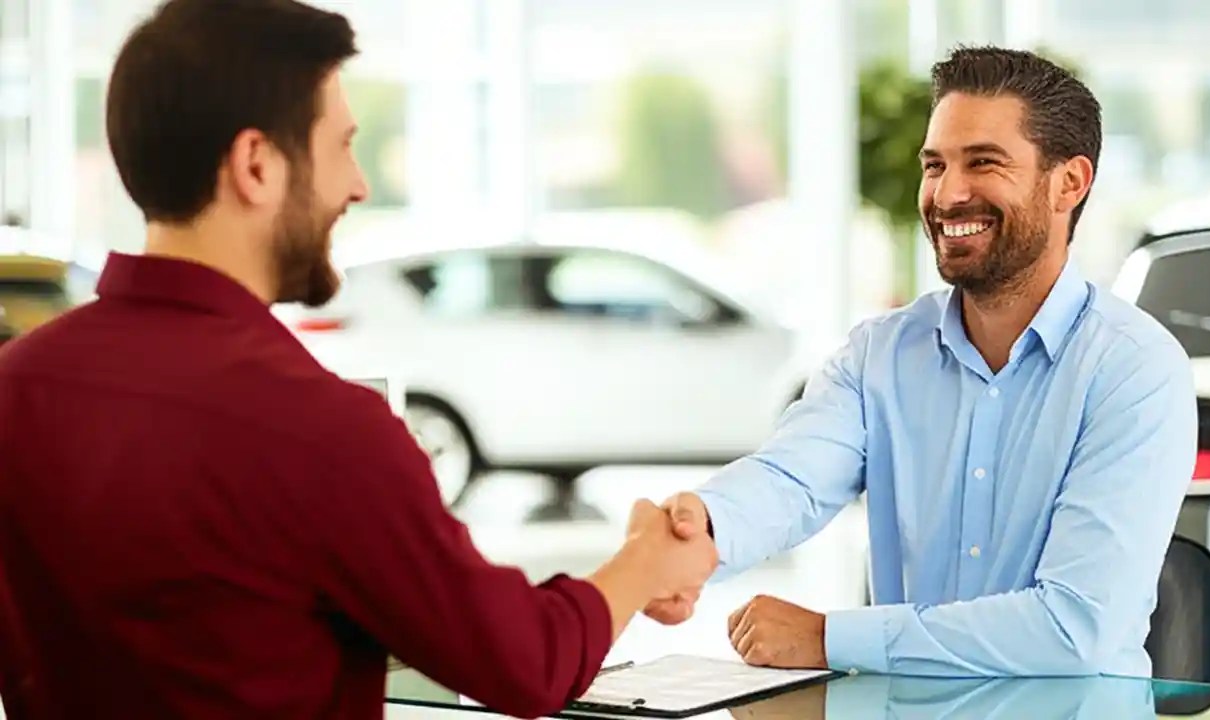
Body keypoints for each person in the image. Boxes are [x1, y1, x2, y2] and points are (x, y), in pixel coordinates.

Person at [0, 1, 716, 718]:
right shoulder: (321, 429)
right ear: (257, 165)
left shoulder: (16, 388)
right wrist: (643, 561)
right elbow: (525, 661)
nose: (358, 185)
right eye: (342, 145)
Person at [647, 45, 1197, 677]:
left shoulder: (1134, 371)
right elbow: (791, 479)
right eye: (935, 165)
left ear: (1068, 183)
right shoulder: (880, 355)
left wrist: (828, 638)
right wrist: (702, 530)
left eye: (983, 162)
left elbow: (1073, 628)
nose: (948, 193)